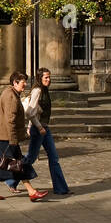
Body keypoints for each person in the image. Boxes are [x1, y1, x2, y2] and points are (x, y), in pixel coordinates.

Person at [0, 71, 47, 201]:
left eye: (25, 82)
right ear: (15, 82)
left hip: (2, 136)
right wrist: (13, 140)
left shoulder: (11, 93)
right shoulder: (11, 97)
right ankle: (32, 192)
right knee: (18, 164)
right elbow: (10, 120)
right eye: (23, 82)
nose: (25, 85)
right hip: (7, 138)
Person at [25, 68, 70, 196]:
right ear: (40, 78)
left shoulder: (44, 90)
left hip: (44, 129)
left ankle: (61, 188)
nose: (48, 80)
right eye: (46, 78)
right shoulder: (37, 91)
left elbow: (35, 111)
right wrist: (36, 127)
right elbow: (29, 112)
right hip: (39, 129)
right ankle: (12, 178)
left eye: (49, 77)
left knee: (54, 157)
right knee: (30, 158)